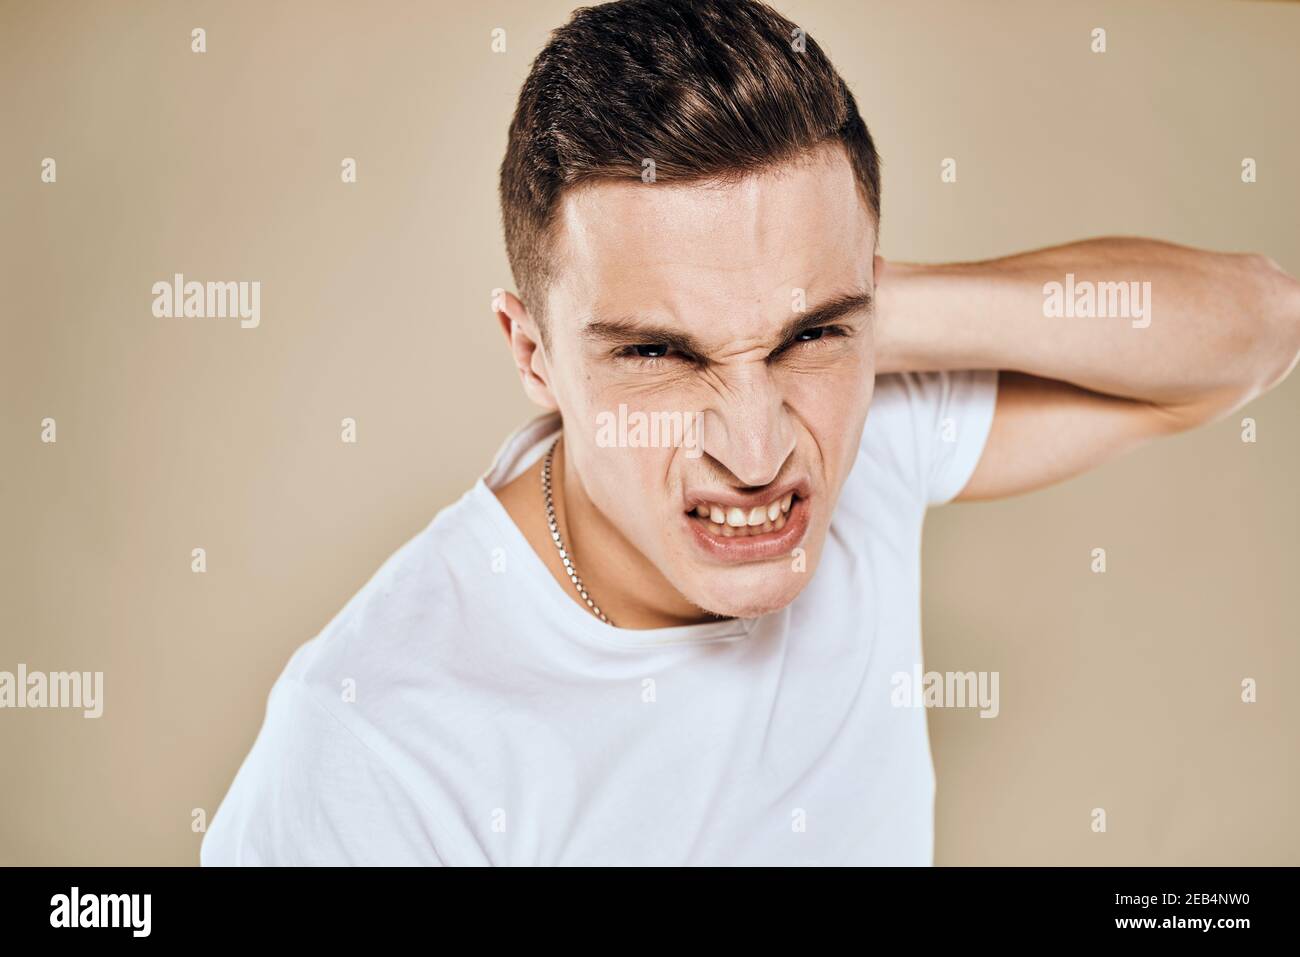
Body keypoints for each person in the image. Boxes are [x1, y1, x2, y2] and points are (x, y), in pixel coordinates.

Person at [201, 0, 1300, 865]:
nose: (760, 450)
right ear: (530, 352)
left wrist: (844, 314)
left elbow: (1253, 331)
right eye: (659, 353)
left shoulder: (862, 424)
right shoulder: (373, 740)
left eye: (806, 338)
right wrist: (794, 317)